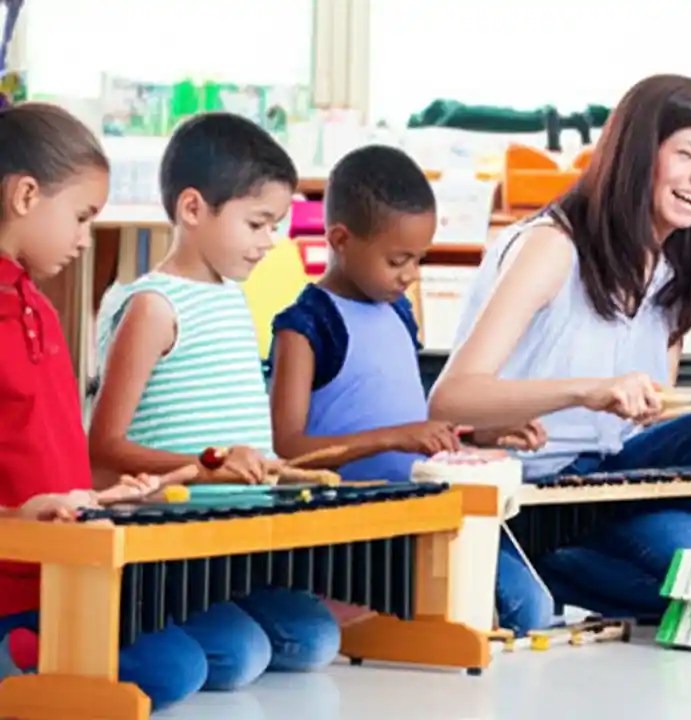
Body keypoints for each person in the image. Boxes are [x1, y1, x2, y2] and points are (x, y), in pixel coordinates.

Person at [427, 74, 691, 634]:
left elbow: (653, 408)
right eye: (688, 154)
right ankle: (549, 561)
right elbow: (451, 400)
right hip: (528, 488)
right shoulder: (552, 247)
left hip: (608, 485)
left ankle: (568, 566)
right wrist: (587, 390)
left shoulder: (676, 265)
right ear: (639, 154)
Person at [88, 112, 339, 690]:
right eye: (257, 223)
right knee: (243, 656)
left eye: (275, 225)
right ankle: (127, 626)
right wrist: (209, 465)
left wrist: (266, 466)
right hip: (166, 542)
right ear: (194, 209)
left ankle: (203, 618)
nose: (269, 242)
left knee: (315, 640)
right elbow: (102, 449)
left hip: (229, 545)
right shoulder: (153, 307)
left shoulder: (231, 299)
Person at [0, 102, 207, 710]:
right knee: (174, 668)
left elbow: (50, 451)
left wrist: (101, 494)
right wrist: (19, 517)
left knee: (206, 655)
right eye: (82, 217)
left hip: (67, 577)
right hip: (15, 582)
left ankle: (38, 663)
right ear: (26, 195)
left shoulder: (36, 307)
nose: (86, 239)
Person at [269, 144, 546, 482]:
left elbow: (411, 421)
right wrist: (393, 437)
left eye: (419, 259)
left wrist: (478, 434)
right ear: (341, 240)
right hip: (341, 522)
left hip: (412, 510)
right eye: (397, 261)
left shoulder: (398, 311)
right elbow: (288, 448)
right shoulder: (306, 327)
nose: (411, 274)